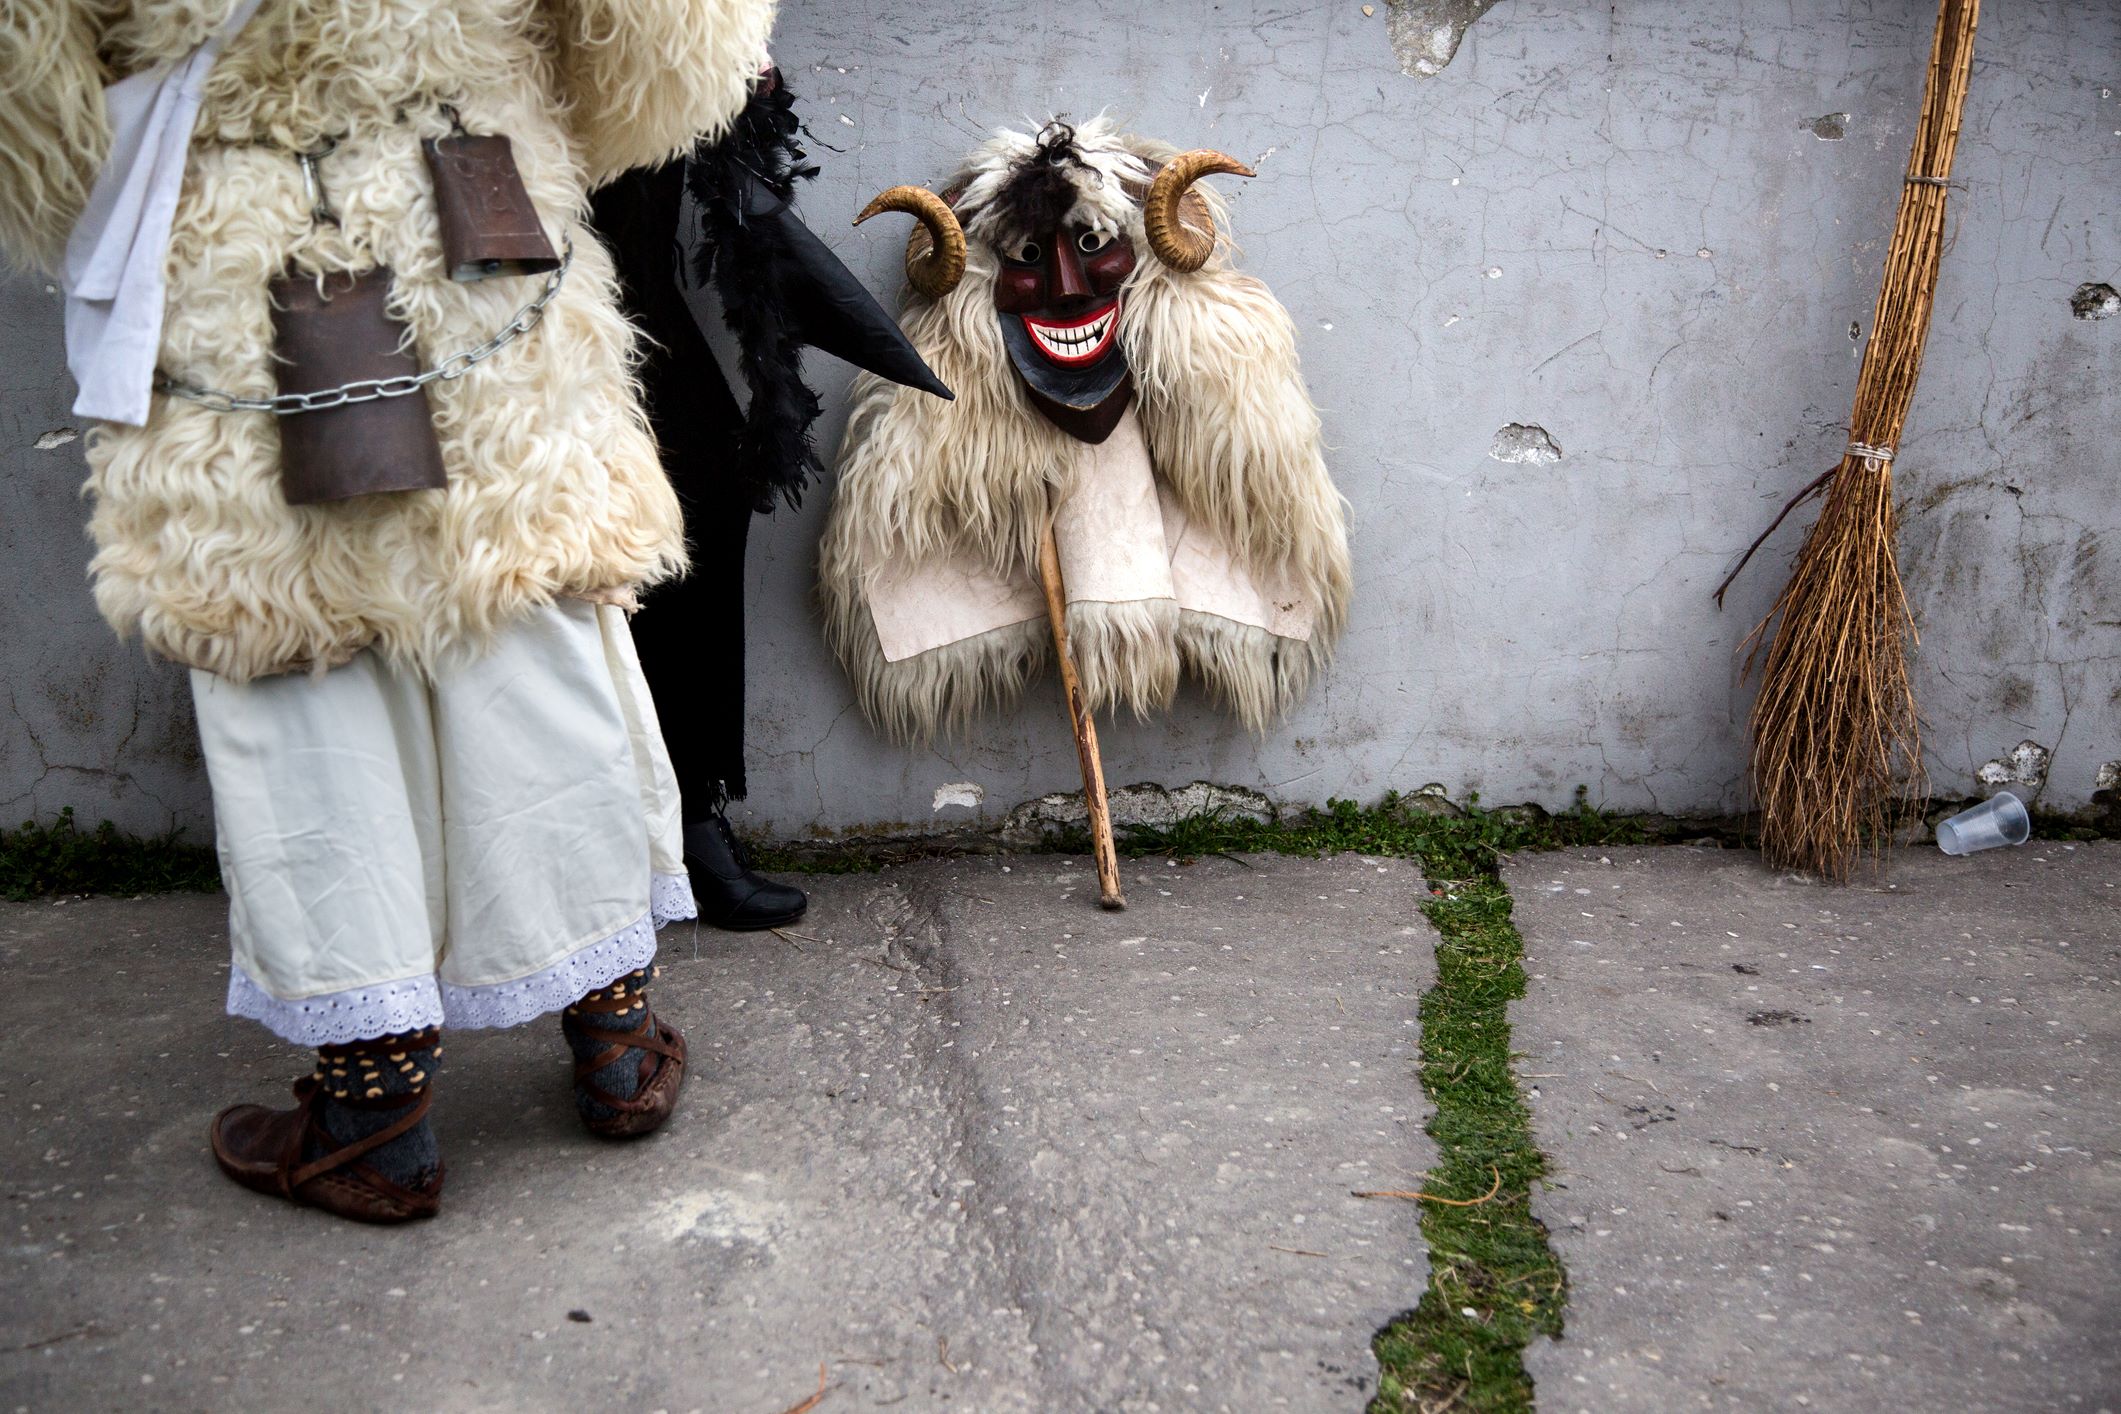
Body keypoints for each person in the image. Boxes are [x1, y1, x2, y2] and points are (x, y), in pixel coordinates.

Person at [0, 0, 776, 1223]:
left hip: (242, 235)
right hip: (472, 198)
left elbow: (28, 84)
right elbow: (663, 43)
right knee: (530, 607)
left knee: (297, 641)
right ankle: (617, 1035)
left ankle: (379, 1108)